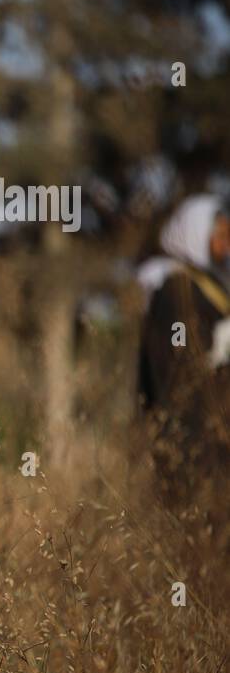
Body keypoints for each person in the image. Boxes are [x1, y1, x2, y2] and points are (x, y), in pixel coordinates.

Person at [135, 194, 230, 513]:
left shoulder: (209, 288)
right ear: (196, 234)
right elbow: (175, 364)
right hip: (191, 444)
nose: (224, 246)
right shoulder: (174, 291)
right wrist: (217, 350)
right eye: (219, 237)